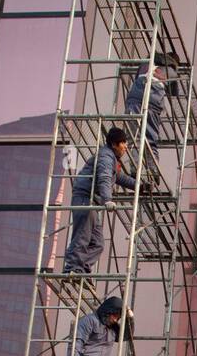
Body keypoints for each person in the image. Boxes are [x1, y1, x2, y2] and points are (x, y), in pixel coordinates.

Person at [62, 126, 136, 275]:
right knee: (83, 235)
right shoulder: (106, 157)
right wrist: (107, 199)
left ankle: (81, 268)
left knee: (98, 244)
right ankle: (72, 268)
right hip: (85, 197)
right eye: (123, 143)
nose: (126, 147)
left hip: (91, 201)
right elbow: (104, 178)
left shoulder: (111, 159)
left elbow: (118, 177)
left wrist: (138, 185)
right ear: (114, 144)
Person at [123, 54, 172, 185]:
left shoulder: (144, 65)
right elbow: (174, 92)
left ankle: (135, 166)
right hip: (154, 102)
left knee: (134, 136)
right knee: (150, 138)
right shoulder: (171, 68)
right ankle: (153, 169)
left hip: (137, 97)